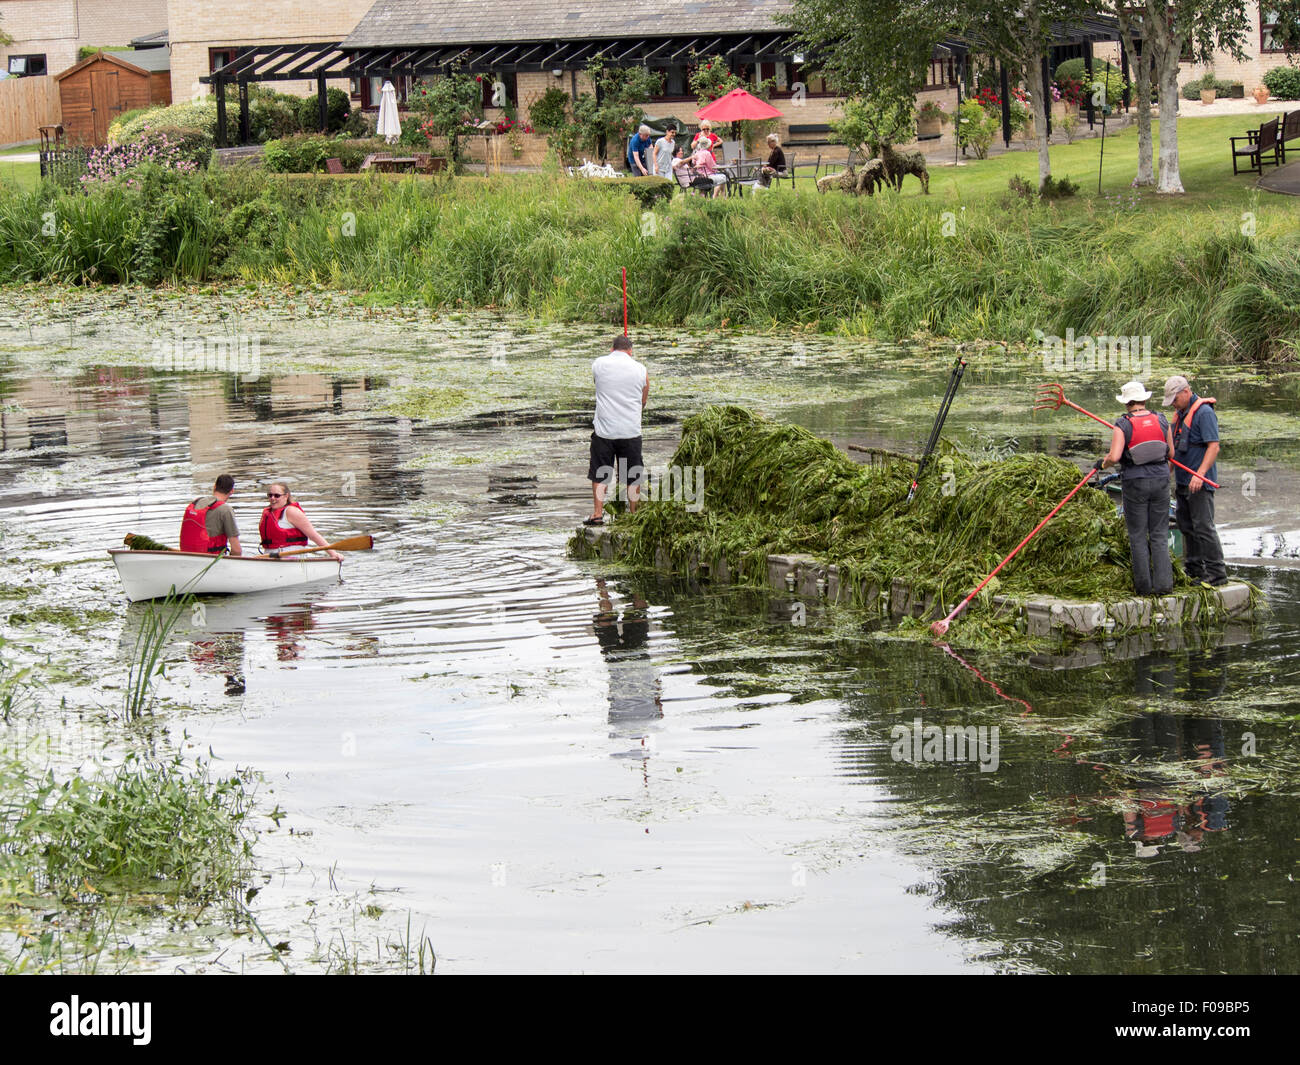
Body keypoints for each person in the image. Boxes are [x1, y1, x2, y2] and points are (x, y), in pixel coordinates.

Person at [1094, 381, 1174, 596]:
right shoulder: (1162, 419)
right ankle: (1164, 586)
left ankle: (1144, 588)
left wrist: (1101, 464)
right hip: (1160, 480)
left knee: (1137, 535)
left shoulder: (1123, 424)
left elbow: (1115, 456)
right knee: (1158, 533)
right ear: (1144, 399)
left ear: (1127, 403)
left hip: (1135, 482)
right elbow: (1171, 454)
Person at [1163, 374, 1227, 586]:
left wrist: (1199, 474)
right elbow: (1175, 450)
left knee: (1204, 526)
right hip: (1182, 482)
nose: (1173, 403)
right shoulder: (1180, 414)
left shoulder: (1204, 413)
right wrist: (1167, 472)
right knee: (1186, 525)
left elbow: (1213, 446)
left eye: (1175, 398)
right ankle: (1194, 570)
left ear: (1186, 392)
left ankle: (1217, 573)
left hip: (1200, 481)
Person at [586, 335, 649, 526]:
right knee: (633, 473)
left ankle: (597, 513)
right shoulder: (640, 369)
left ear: (612, 349)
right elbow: (643, 399)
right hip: (630, 431)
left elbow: (597, 384)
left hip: (605, 431)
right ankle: (633, 514)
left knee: (600, 472)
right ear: (630, 351)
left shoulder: (599, 364)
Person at [260, 482, 343, 561]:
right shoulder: (267, 513)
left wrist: (333, 554)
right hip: (269, 556)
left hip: (291, 557)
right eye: (270, 495)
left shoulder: (292, 511)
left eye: (277, 495)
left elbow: (313, 535)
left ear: (286, 496)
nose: (272, 498)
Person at [180, 473, 242, 555]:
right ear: (231, 491)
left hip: (187, 555)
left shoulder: (197, 502)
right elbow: (236, 549)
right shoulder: (226, 510)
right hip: (211, 559)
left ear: (214, 487)